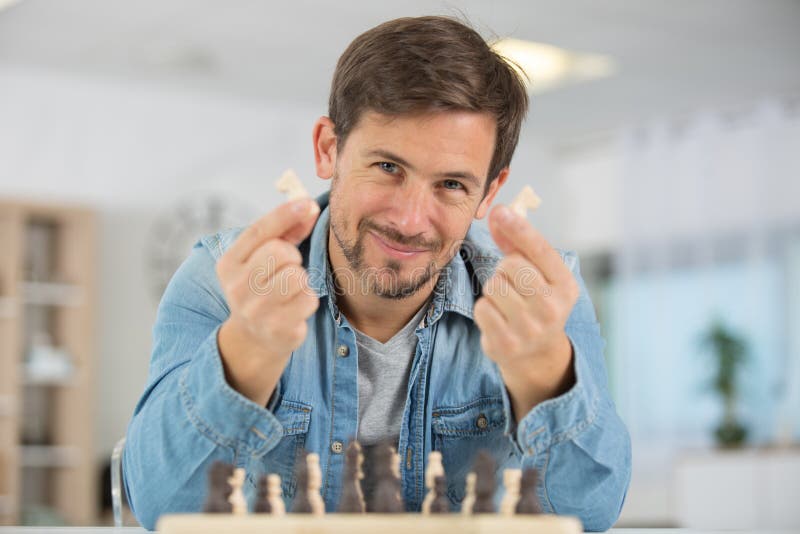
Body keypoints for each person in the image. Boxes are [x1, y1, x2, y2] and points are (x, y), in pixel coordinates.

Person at [123, 15, 631, 531]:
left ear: (490, 192)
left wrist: (545, 374)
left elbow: (590, 516)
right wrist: (246, 352)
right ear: (328, 149)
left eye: (452, 184)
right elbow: (161, 506)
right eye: (388, 167)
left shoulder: (541, 297)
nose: (410, 220)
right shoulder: (221, 280)